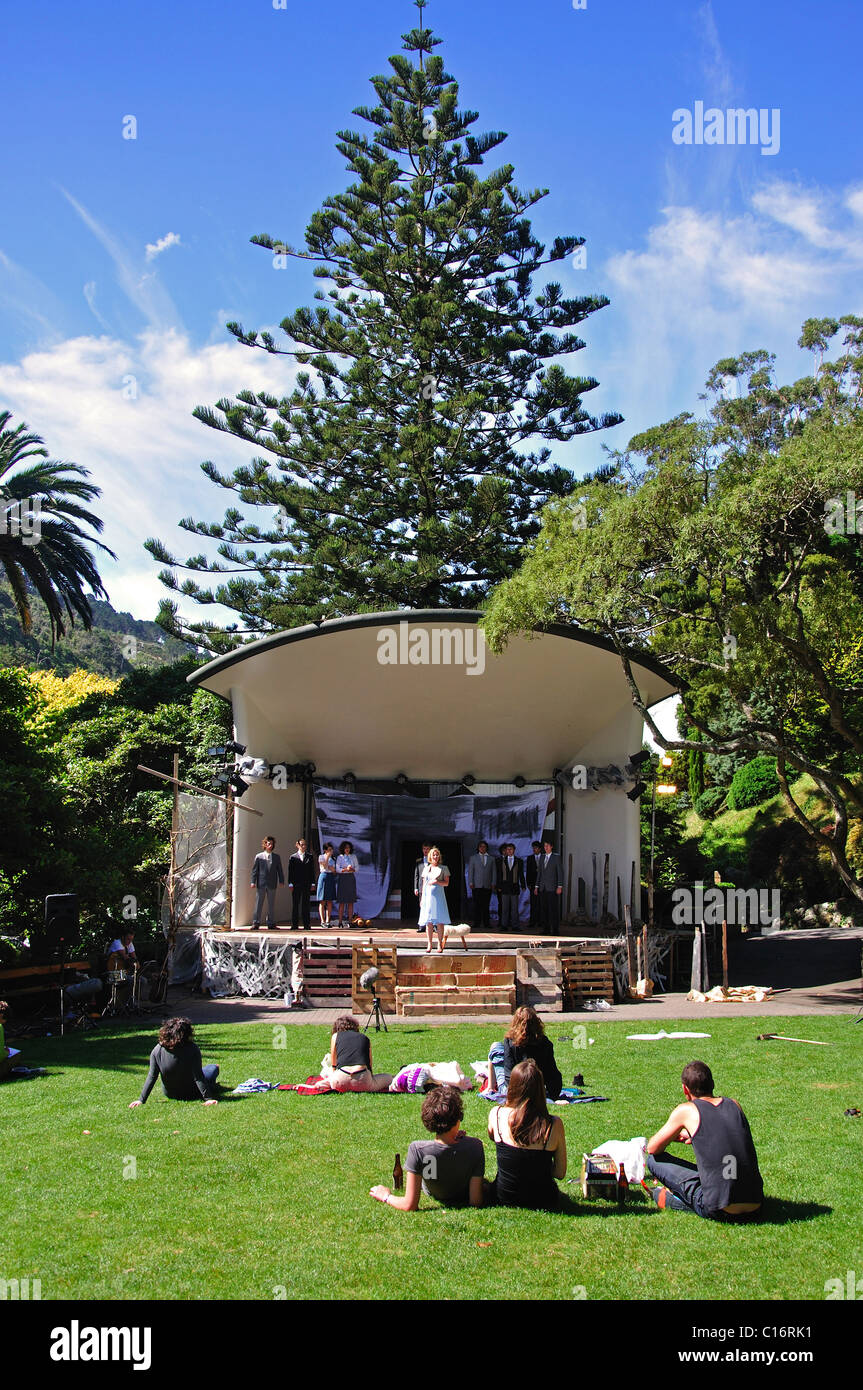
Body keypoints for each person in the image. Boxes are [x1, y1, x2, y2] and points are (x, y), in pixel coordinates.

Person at [646, 1060, 764, 1220]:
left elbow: (653, 1148)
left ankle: (668, 1198)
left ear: (685, 1089)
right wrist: (695, 1135)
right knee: (724, 1171)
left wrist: (676, 1135)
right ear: (712, 1083)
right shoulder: (734, 1105)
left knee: (654, 1160)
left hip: (720, 1208)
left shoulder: (687, 1110)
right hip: (756, 1203)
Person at [370, 1085, 485, 1211]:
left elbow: (409, 1204)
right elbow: (476, 1200)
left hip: (432, 1191)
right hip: (462, 1194)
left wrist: (386, 1196)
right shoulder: (475, 1146)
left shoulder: (418, 1150)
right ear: (458, 1119)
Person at [487, 1058, 566, 1210]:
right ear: (540, 1090)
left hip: (504, 1195)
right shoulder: (554, 1124)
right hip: (544, 1199)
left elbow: (492, 1136)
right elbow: (559, 1172)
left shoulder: (496, 1115)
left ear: (512, 1087)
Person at [129, 1017, 219, 1106]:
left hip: (170, 1093)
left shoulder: (157, 1050)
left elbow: (152, 1076)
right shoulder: (192, 1048)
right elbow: (198, 1077)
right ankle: (215, 1069)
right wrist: (208, 1098)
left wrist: (141, 1100)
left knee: (206, 1070)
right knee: (212, 1069)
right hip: (192, 1093)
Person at [488, 1005, 562, 1099]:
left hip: (516, 1091)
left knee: (496, 1047)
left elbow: (508, 1075)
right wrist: (551, 1095)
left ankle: (489, 1087)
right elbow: (553, 1074)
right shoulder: (545, 1042)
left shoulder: (510, 1041)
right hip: (537, 1090)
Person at [314, 1015, 391, 1093]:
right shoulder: (365, 1038)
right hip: (363, 1080)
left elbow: (334, 1064)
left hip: (340, 1079)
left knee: (332, 1076)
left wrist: (335, 1076)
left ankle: (324, 1084)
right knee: (388, 1077)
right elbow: (369, 1065)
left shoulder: (335, 1036)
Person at [419, 846, 450, 953]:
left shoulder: (444, 868)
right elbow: (423, 884)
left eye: (437, 855)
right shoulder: (426, 868)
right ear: (430, 857)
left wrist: (437, 882)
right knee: (429, 922)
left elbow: (446, 883)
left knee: (440, 922)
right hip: (428, 897)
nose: (435, 857)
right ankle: (429, 944)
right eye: (433, 855)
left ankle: (439, 944)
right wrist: (422, 898)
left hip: (439, 897)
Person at [251, 836, 284, 929]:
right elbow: (255, 870)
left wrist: (281, 880)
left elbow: (279, 870)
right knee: (258, 903)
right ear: (265, 844)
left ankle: (271, 922)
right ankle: (256, 922)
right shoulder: (259, 856)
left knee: (271, 904)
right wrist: (253, 881)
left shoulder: (276, 857)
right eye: (268, 843)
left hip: (272, 883)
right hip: (261, 883)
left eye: (271, 844)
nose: (270, 845)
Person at [536, 836, 563, 931]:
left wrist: (560, 886)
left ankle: (555, 929)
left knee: (553, 909)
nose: (546, 848)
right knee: (544, 909)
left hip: (552, 887)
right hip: (543, 887)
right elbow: (539, 872)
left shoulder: (556, 857)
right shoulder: (542, 857)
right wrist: (537, 886)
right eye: (544, 846)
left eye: (547, 846)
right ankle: (545, 928)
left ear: (551, 847)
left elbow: (560, 872)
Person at [468, 841, 496, 930]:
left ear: (486, 848)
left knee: (486, 905)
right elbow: (471, 871)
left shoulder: (491, 858)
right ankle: (477, 922)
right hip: (477, 885)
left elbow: (494, 872)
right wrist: (471, 882)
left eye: (484, 847)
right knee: (477, 905)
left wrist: (493, 883)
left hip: (487, 885)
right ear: (478, 848)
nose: (482, 848)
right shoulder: (473, 858)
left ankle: (486, 923)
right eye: (481, 847)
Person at [288, 838, 315, 930]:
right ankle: (294, 924)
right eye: (302, 845)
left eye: (305, 845)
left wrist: (313, 883)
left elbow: (312, 871)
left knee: (306, 904)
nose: (304, 846)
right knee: (295, 904)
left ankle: (306, 924)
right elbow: (290, 871)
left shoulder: (309, 856)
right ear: (298, 845)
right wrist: (290, 883)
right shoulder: (293, 857)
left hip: (306, 883)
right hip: (296, 884)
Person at [497, 843, 525, 931]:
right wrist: (499, 885)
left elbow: (521, 874)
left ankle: (515, 925)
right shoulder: (501, 861)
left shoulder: (519, 861)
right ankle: (504, 925)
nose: (509, 851)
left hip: (514, 887)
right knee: (504, 908)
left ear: (514, 850)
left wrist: (523, 885)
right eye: (508, 849)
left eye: (511, 849)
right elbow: (499, 874)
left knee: (514, 908)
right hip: (504, 887)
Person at [335, 841, 359, 926]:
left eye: (348, 848)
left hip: (350, 878)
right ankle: (340, 921)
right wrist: (345, 869)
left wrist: (351, 869)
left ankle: (350, 921)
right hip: (343, 878)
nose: (347, 849)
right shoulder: (340, 857)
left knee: (350, 901)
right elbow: (337, 869)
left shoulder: (353, 857)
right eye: (345, 848)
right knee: (342, 901)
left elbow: (357, 868)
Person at [316, 843, 337, 927]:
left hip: (331, 877)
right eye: (328, 849)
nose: (330, 851)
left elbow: (334, 870)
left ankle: (328, 920)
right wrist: (327, 857)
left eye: (331, 849)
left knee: (329, 900)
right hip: (324, 876)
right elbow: (324, 866)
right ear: (325, 850)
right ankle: (322, 921)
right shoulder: (321, 856)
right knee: (322, 900)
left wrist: (333, 869)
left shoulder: (334, 859)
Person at [413, 842, 431, 933]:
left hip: (431, 887)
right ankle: (422, 925)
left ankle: (433, 925)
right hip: (421, 887)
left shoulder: (433, 860)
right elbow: (416, 875)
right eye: (424, 849)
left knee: (432, 906)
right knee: (422, 906)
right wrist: (416, 888)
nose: (425, 851)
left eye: (427, 849)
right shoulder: (419, 861)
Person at [525, 841, 543, 929]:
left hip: (542, 884)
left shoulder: (543, 857)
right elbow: (528, 871)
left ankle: (541, 921)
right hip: (532, 883)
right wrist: (528, 883)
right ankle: (532, 921)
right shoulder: (530, 858)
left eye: (536, 848)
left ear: (539, 849)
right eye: (533, 848)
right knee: (533, 903)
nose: (534, 850)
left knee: (541, 903)